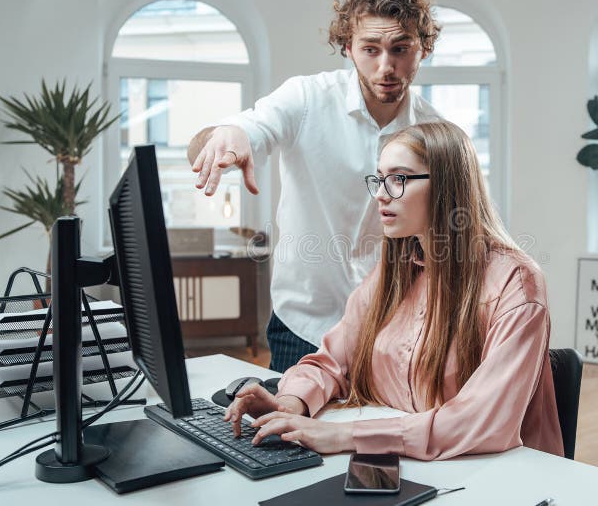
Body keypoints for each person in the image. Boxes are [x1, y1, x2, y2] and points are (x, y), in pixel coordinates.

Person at [224, 121, 564, 460]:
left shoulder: (516, 283)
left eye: (399, 179)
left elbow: (481, 421)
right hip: (417, 464)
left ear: (447, 186)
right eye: (379, 179)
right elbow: (333, 362)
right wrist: (288, 405)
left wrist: (343, 435)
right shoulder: (394, 270)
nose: (381, 194)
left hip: (504, 473)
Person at [187, 0, 442, 372]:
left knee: (378, 417)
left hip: (392, 329)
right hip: (304, 326)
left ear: (422, 48)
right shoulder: (306, 99)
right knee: (287, 414)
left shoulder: (434, 131)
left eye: (400, 49)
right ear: (348, 47)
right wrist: (226, 136)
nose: (386, 66)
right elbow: (253, 128)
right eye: (370, 49)